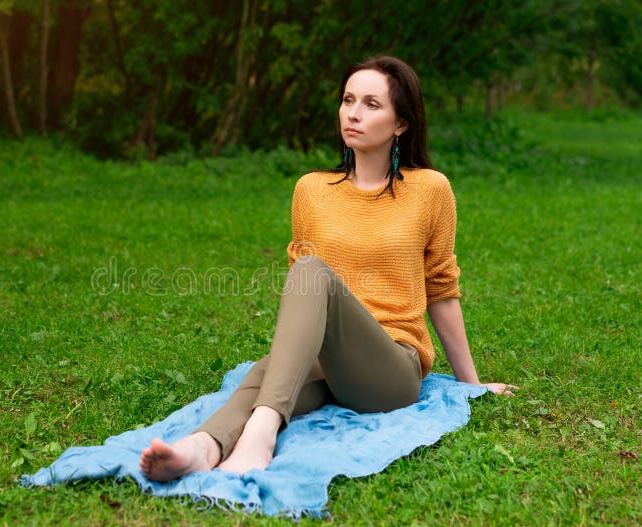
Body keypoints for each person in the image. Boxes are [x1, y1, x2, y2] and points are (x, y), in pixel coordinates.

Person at [139, 56, 517, 482]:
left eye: (372, 104)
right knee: (272, 374)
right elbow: (304, 305)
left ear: (401, 125)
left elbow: (441, 288)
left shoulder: (430, 190)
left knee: (310, 275)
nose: (353, 113)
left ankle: (259, 438)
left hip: (389, 371)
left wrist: (470, 384)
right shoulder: (311, 190)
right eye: (348, 99)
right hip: (327, 363)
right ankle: (202, 446)